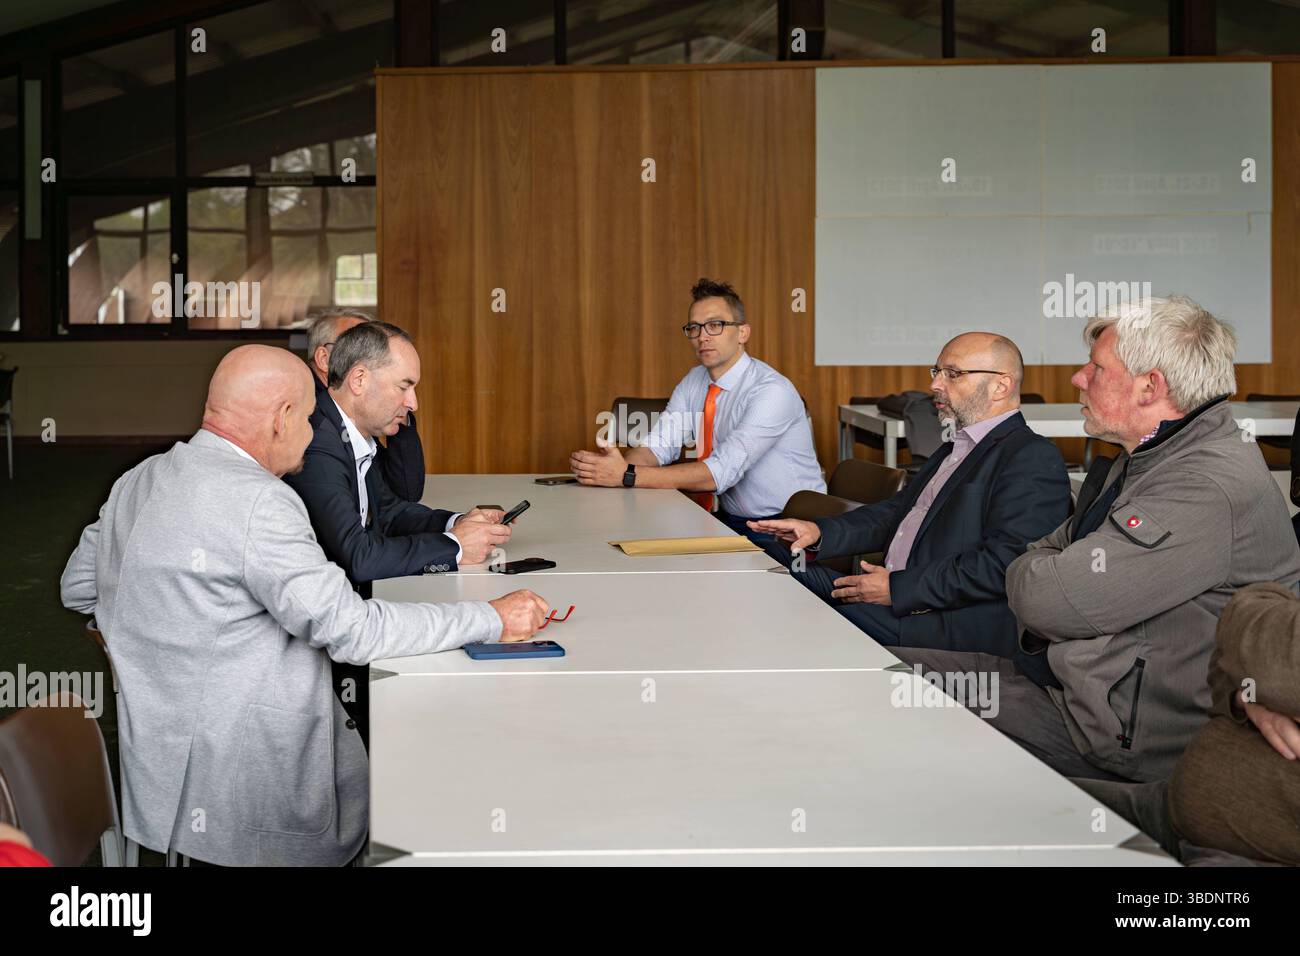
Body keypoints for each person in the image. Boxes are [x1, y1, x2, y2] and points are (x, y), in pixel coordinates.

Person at [59, 345, 548, 866]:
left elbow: (78, 587)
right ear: (283, 417)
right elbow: (353, 631)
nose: (317, 435)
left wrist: (176, 641)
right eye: (311, 419)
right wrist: (490, 617)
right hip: (260, 792)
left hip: (159, 779)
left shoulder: (140, 477)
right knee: (435, 766)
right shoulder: (261, 503)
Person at [894, 296, 1300, 783]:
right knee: (876, 671)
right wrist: (1047, 565)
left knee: (892, 699)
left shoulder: (1202, 484)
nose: (1078, 378)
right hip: (1073, 687)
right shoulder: (1148, 454)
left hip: (1109, 733)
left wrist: (1045, 569)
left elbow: (1050, 600)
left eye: (1097, 367)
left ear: (1150, 387)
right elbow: (1044, 555)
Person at [750, 333, 1069, 655]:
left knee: (812, 626)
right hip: (894, 597)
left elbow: (1008, 564)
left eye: (953, 374)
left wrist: (898, 589)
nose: (935, 385)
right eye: (937, 372)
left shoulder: (1031, 457)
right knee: (770, 555)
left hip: (942, 618)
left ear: (1001, 386)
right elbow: (896, 513)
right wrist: (819, 532)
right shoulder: (956, 447)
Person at [286, 321, 513, 741]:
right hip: (326, 644)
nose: (414, 401)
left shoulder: (349, 431)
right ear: (358, 379)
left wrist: (455, 523)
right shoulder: (319, 441)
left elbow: (386, 511)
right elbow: (359, 556)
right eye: (404, 387)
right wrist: (455, 547)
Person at [568, 278, 825, 544]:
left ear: (743, 333)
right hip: (733, 522)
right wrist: (619, 467)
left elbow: (720, 472)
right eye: (694, 327)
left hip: (792, 527)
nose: (703, 336)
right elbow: (657, 447)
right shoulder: (695, 381)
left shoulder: (772, 391)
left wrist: (626, 475)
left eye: (716, 325)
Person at [1075, 581, 1300, 866]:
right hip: (1168, 806)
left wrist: (1258, 682)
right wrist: (1250, 699)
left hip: (1250, 857)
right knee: (1024, 807)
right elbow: (1233, 635)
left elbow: (1051, 603)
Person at [306, 309, 426, 502]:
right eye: (353, 341)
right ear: (324, 359)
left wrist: (397, 399)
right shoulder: (308, 416)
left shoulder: (362, 411)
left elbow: (404, 493)